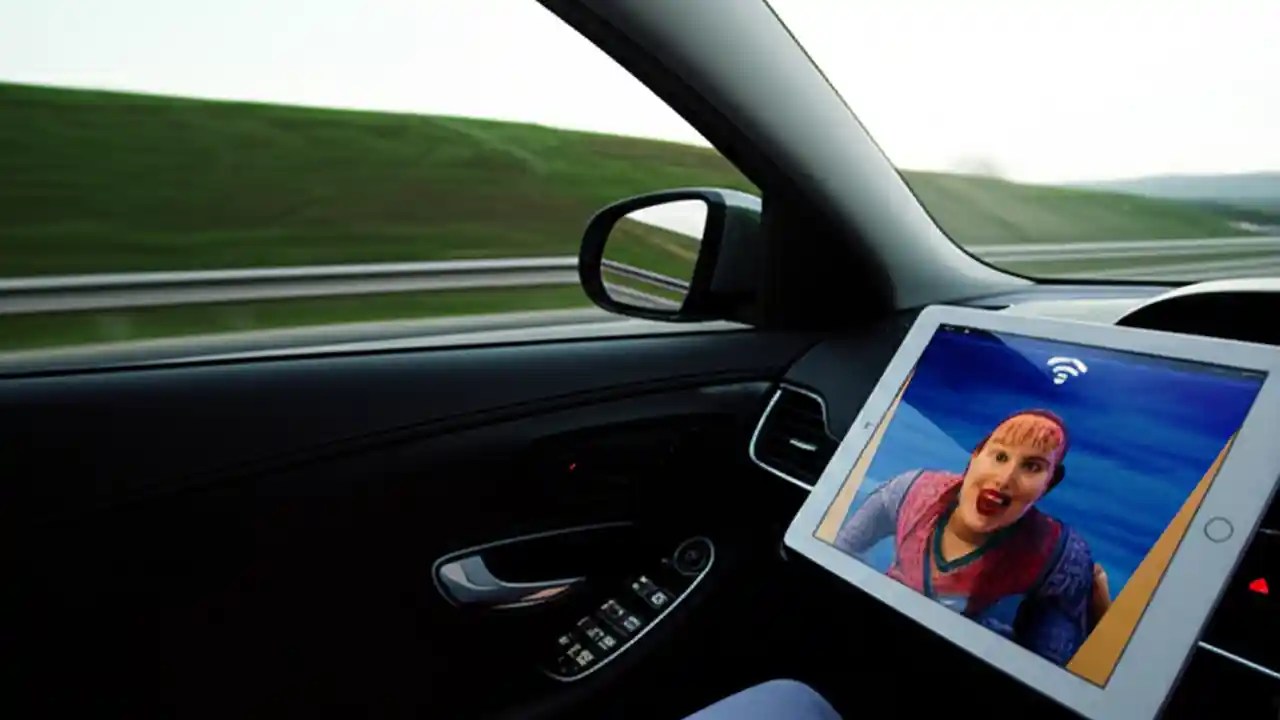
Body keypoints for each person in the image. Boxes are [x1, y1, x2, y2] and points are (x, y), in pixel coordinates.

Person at [834, 409, 1108, 665]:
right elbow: (838, 551)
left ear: (1050, 482)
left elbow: (1045, 669)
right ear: (976, 454)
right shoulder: (910, 491)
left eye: (1032, 467)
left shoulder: (1059, 554)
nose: (1005, 478)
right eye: (1000, 457)